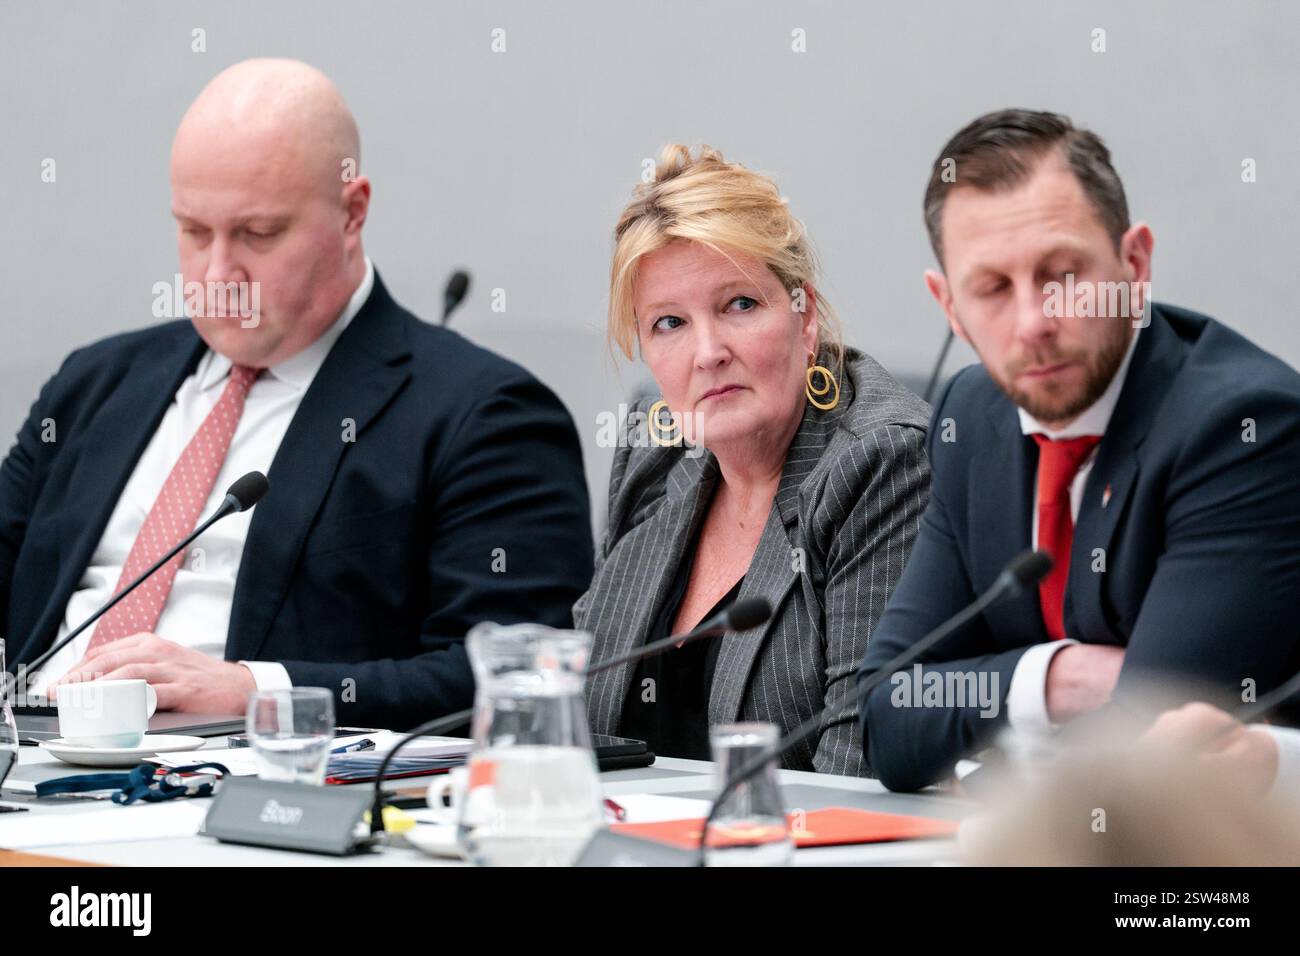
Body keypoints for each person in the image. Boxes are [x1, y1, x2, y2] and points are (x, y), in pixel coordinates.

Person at [0, 59, 593, 730]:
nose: (219, 272)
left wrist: (256, 690)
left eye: (258, 234)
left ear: (352, 211)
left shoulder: (484, 415)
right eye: (194, 232)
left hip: (234, 787)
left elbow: (509, 675)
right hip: (28, 758)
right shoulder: (93, 385)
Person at [857, 109, 1300, 791]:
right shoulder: (970, 417)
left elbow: (1146, 750)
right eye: (993, 289)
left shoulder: (1243, 427)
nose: (1033, 323)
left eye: (1063, 274)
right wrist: (1057, 679)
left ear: (1135, 263)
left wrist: (988, 707)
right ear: (949, 306)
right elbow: (889, 716)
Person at [576, 145, 930, 774]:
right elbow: (583, 725)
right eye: (669, 323)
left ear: (805, 317)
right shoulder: (651, 453)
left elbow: (856, 773)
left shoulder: (880, 461)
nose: (707, 352)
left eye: (740, 305)